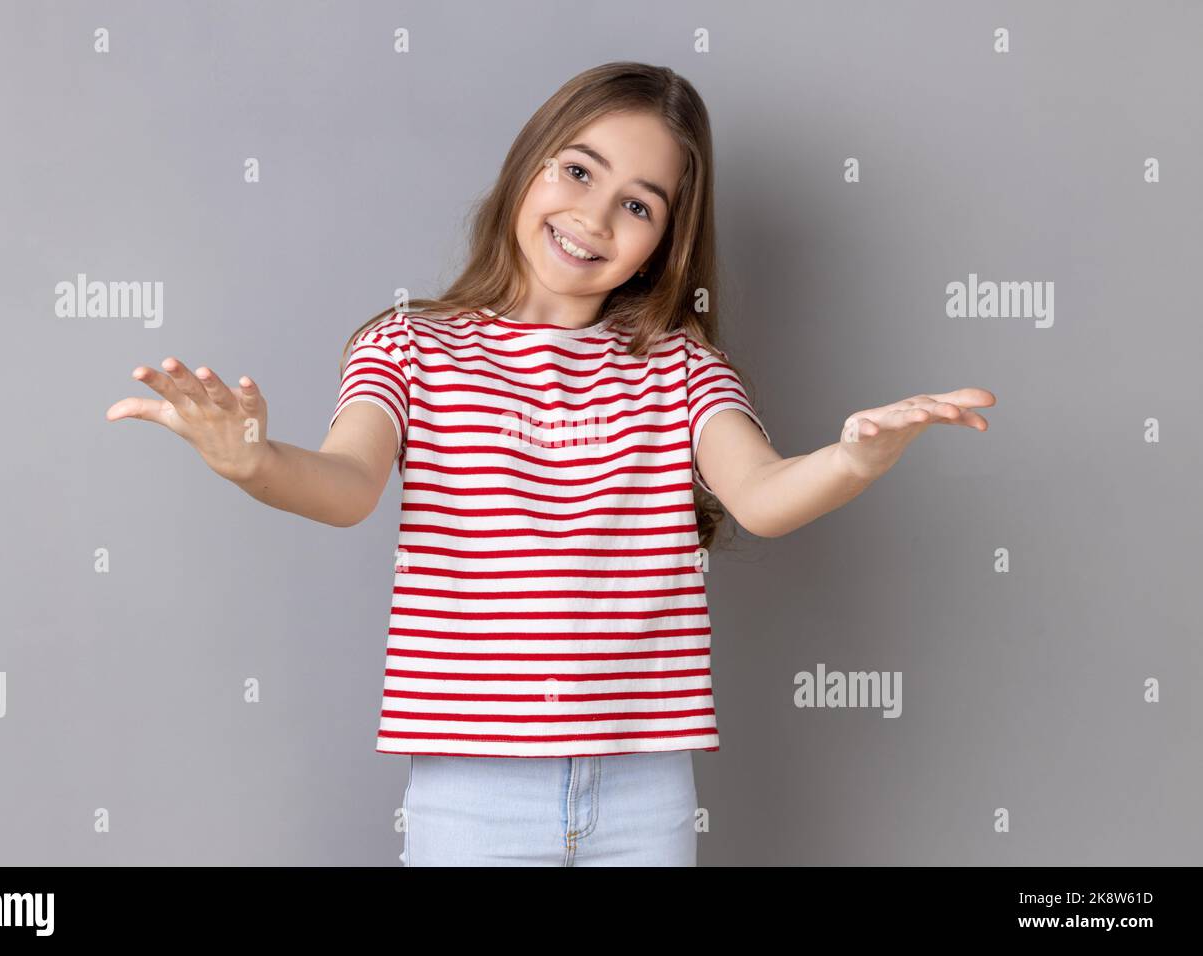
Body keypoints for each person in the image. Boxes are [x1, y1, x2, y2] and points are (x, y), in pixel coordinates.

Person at [105, 61, 994, 866]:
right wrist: (253, 462)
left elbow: (759, 496)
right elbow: (346, 486)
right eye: (578, 171)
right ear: (529, 165)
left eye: (639, 205)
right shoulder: (408, 346)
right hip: (470, 791)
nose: (594, 218)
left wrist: (852, 459)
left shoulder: (681, 368)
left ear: (666, 243)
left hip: (646, 788)